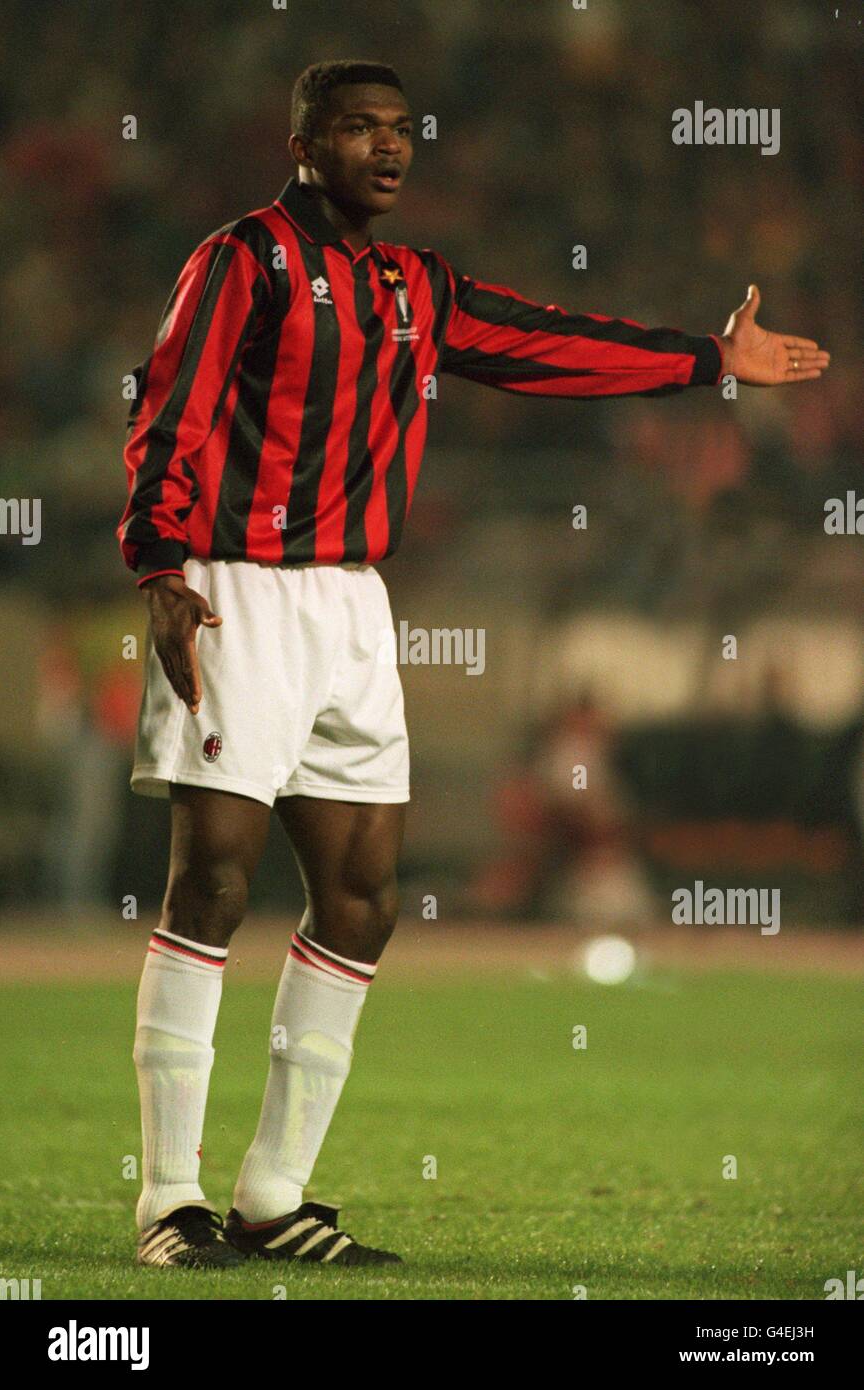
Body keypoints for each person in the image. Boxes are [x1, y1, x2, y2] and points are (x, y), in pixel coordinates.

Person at [116, 58, 830, 1269]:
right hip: (236, 587)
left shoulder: (413, 284)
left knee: (362, 900)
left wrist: (707, 359)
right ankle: (168, 1200)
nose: (388, 150)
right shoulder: (244, 259)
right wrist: (162, 569)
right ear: (303, 143)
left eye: (400, 131)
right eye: (358, 128)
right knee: (213, 887)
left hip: (352, 604)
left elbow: (547, 343)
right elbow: (169, 405)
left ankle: (272, 1192)